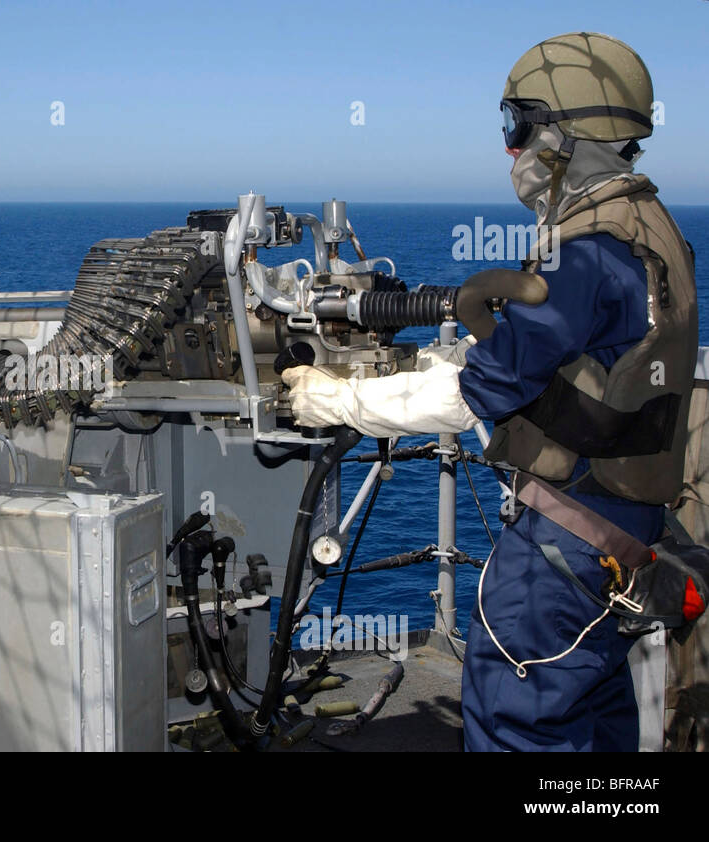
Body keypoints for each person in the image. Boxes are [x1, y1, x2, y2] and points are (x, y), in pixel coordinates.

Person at [281, 32, 697, 751]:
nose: (512, 151)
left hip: (562, 551)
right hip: (625, 538)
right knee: (596, 724)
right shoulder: (657, 232)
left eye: (519, 128)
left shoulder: (587, 252)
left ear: (565, 137)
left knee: (517, 720)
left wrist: (335, 400)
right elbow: (555, 360)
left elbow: (472, 395)